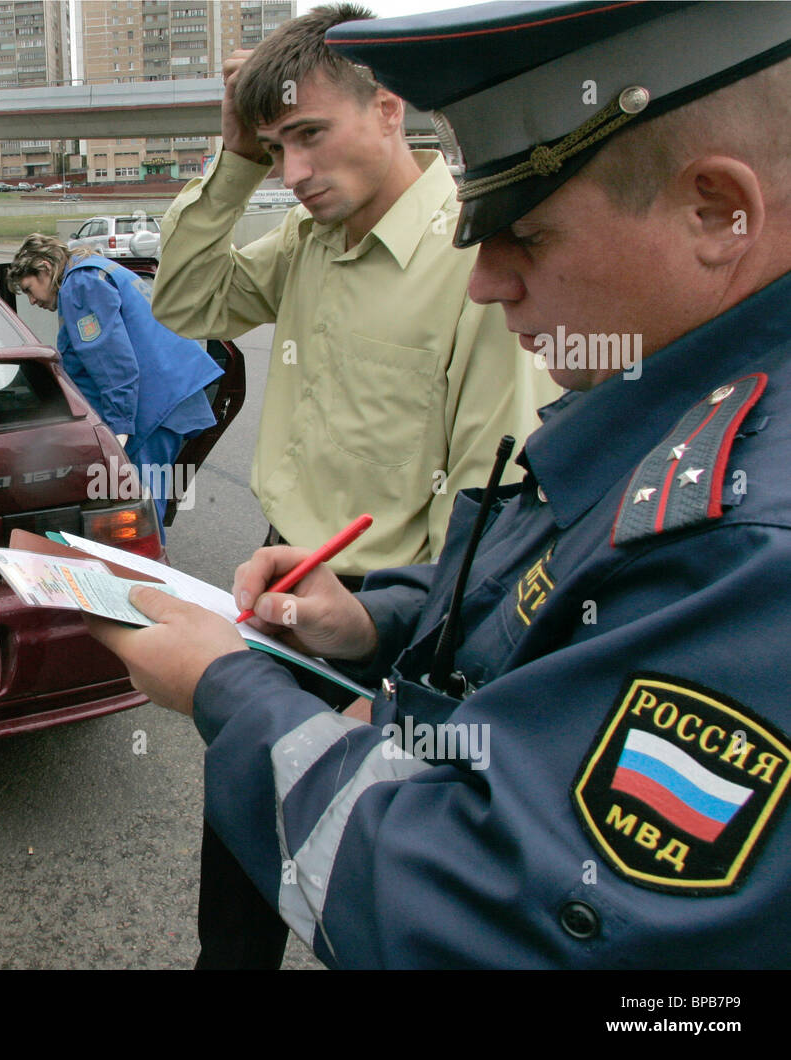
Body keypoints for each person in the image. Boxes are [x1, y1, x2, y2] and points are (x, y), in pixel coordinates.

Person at [87, 1, 791, 967]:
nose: (484, 280)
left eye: (527, 235)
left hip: (407, 647)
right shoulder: (312, 249)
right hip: (328, 610)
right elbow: (184, 298)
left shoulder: (742, 533)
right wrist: (375, 625)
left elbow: (493, 914)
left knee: (346, 865)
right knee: (243, 909)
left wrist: (368, 678)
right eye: (275, 147)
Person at [151, 3, 557, 579]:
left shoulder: (474, 258)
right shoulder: (309, 237)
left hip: (385, 600)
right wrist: (239, 157)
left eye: (310, 134)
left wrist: (422, 636)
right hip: (279, 554)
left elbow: (485, 493)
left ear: (388, 108)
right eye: (274, 150)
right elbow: (188, 304)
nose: (291, 175)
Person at [7, 233, 222, 532]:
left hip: (152, 407)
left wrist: (119, 430)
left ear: (45, 267)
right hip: (168, 394)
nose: (31, 300)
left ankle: (149, 572)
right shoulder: (94, 267)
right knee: (146, 498)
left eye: (30, 289)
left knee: (139, 507)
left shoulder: (80, 286)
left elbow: (112, 362)